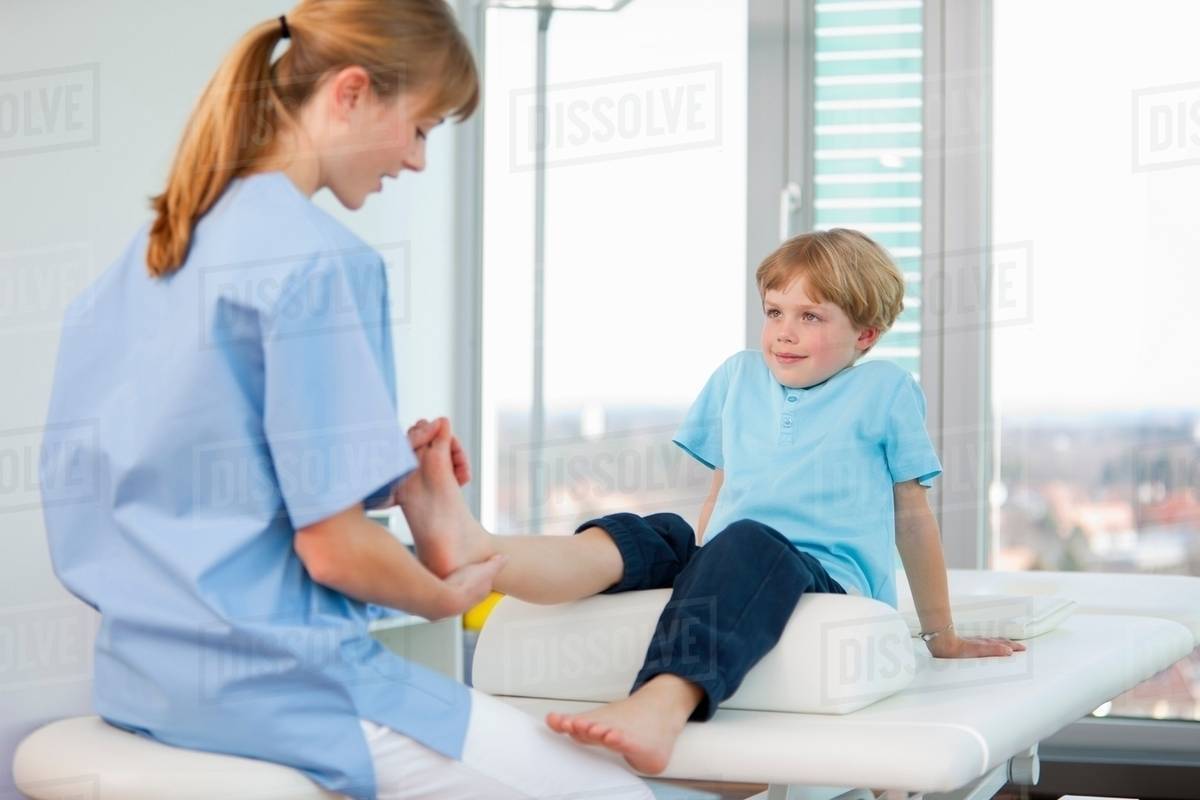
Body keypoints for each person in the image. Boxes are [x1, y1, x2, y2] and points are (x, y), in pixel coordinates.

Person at [39, 3, 655, 798]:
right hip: (291, 689)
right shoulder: (319, 263)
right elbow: (332, 550)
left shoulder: (141, 264)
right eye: (423, 127)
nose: (420, 160)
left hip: (143, 683)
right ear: (353, 92)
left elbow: (171, 474)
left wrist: (374, 464)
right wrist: (444, 595)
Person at [397, 228, 1027, 777]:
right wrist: (697, 558)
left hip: (828, 579)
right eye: (775, 311)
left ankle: (659, 705)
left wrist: (940, 634)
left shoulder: (885, 389)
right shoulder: (737, 375)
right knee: (663, 533)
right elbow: (725, 485)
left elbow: (912, 518)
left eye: (811, 317)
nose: (784, 333)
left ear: (866, 332)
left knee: (750, 539)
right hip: (734, 553)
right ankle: (478, 550)